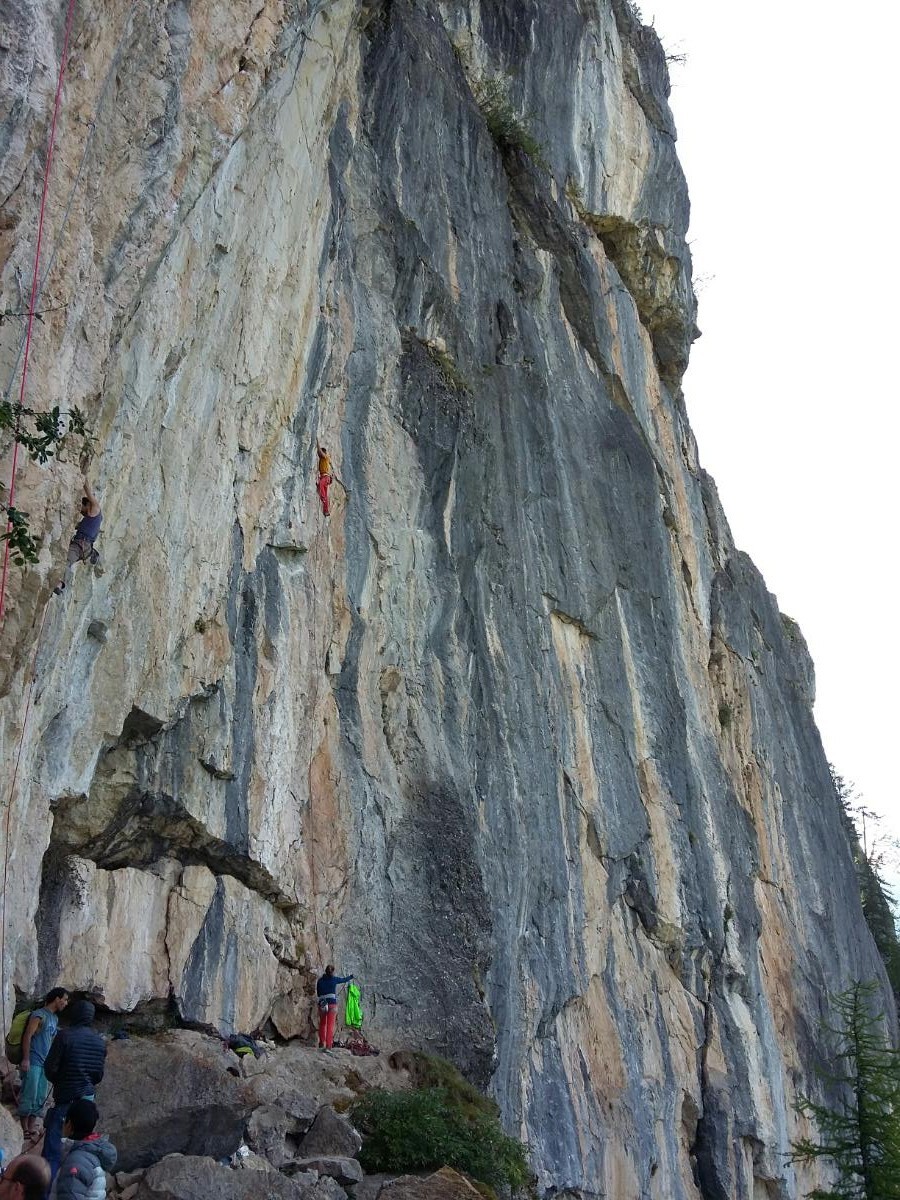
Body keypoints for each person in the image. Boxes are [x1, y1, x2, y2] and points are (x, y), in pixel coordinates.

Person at [41, 1002, 105, 1184]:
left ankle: (46, 1191)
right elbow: (98, 1075)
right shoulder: (99, 1042)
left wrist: (60, 1080)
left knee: (53, 1152)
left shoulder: (65, 1036)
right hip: (87, 1102)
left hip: (66, 1101)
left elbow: (49, 1068)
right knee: (81, 1150)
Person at [18, 989, 69, 1144]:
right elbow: (27, 1036)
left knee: (40, 1095)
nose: (66, 1003)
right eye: (65, 1000)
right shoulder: (39, 1015)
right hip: (33, 1060)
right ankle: (23, 1128)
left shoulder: (54, 1018)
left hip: (45, 1064)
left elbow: (51, 1042)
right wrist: (26, 1059)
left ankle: (32, 1126)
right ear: (57, 998)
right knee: (29, 1093)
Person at [49, 1099, 116, 1200]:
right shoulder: (89, 1153)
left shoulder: (76, 1161)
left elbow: (69, 1195)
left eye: (64, 1119)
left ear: (69, 1124)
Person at [53, 479, 101, 595]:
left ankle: (60, 584)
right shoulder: (89, 520)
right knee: (62, 557)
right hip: (84, 547)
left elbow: (88, 492)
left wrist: (84, 479)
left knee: (66, 560)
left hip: (81, 545)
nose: (82, 514)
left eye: (82, 510)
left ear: (87, 505)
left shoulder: (95, 508)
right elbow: (75, 526)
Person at [316, 964, 353, 1050]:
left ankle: (321, 1043)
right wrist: (351, 977)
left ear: (325, 971)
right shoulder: (334, 979)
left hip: (322, 1004)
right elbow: (344, 980)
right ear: (332, 972)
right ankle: (329, 1046)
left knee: (322, 1024)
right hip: (332, 1004)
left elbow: (318, 994)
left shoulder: (320, 981)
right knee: (330, 1025)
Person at [316, 444, 332, 517]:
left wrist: (317, 442)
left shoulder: (325, 457)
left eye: (320, 453)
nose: (319, 455)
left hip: (325, 477)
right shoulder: (322, 460)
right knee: (325, 494)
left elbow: (320, 452)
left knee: (321, 486)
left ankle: (323, 498)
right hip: (325, 477)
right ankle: (326, 511)